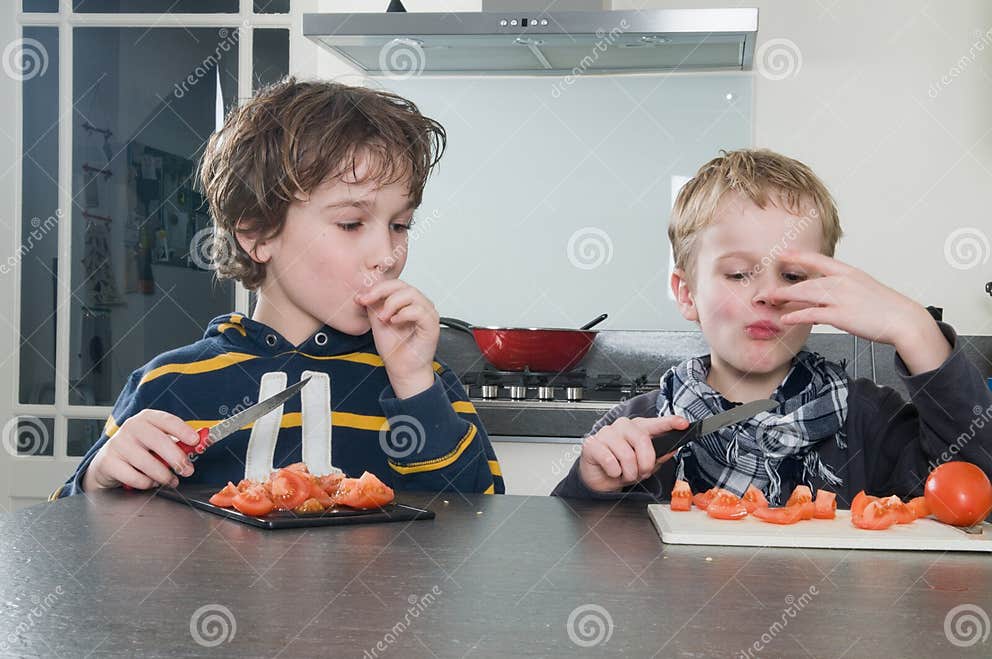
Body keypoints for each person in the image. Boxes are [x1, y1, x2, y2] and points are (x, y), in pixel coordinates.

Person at [52, 78, 504, 499]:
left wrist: (413, 385)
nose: (387, 254)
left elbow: (475, 526)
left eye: (400, 225)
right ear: (257, 234)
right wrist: (100, 478)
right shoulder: (168, 385)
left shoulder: (426, 383)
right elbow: (75, 544)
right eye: (351, 223)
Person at [552, 148, 991, 508]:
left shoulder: (871, 420)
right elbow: (572, 555)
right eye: (739, 274)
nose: (767, 294)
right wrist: (590, 485)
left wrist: (913, 328)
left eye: (793, 277)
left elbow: (978, 486)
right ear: (687, 294)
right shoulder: (635, 428)